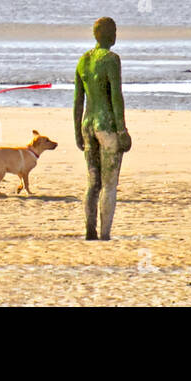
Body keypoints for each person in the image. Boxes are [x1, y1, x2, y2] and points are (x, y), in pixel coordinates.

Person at [73, 16, 131, 240]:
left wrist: (77, 131)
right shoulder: (111, 59)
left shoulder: (83, 60)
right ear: (109, 35)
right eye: (114, 31)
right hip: (106, 124)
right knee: (109, 182)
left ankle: (90, 230)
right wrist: (122, 131)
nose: (116, 35)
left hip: (88, 124)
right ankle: (105, 233)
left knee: (92, 181)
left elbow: (78, 100)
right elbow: (116, 96)